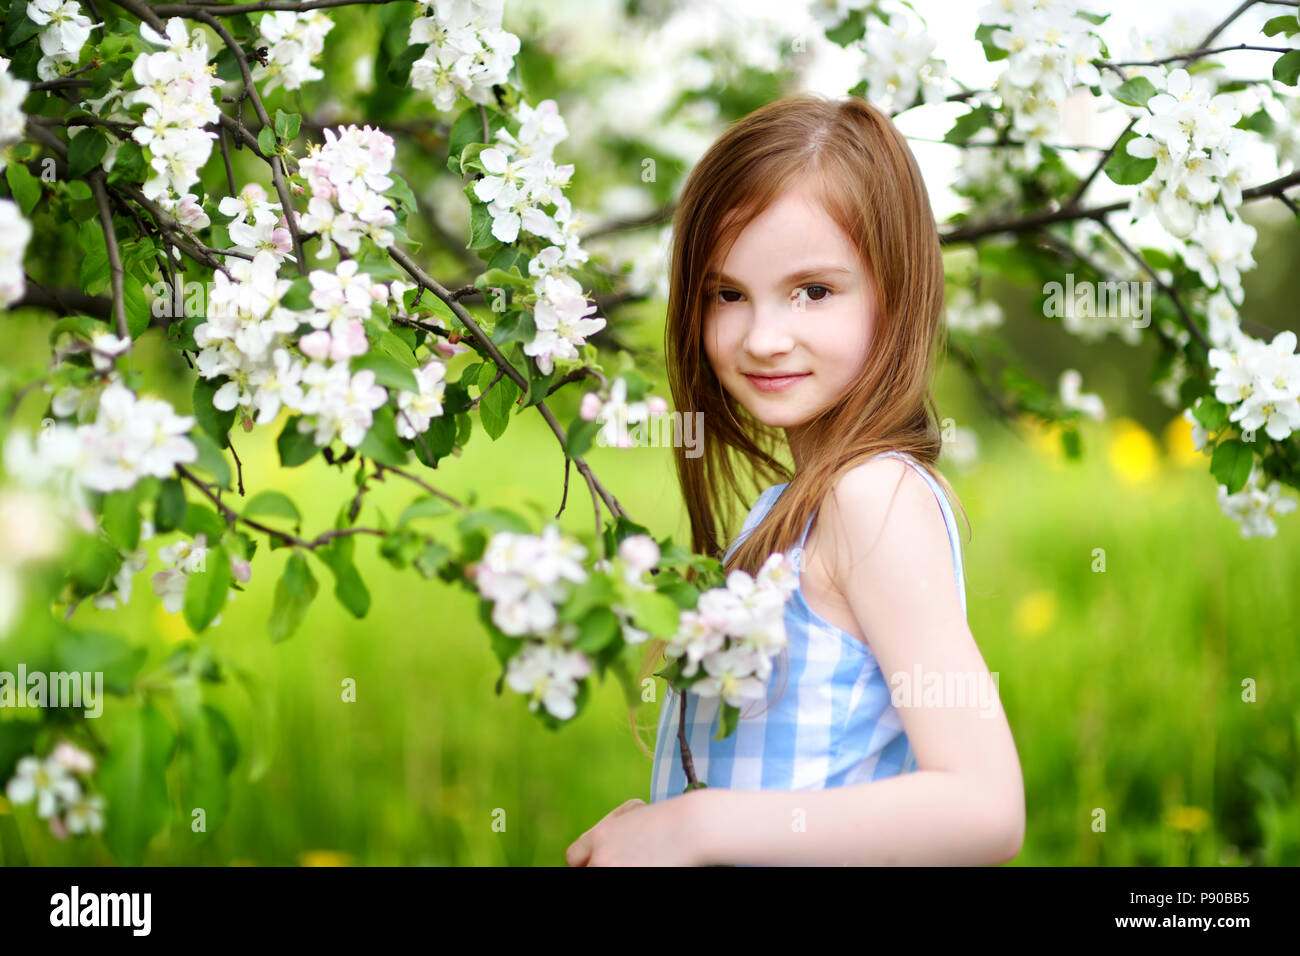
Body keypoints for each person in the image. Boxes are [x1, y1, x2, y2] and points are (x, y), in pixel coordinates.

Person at [565, 92, 1024, 866]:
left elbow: (984, 807)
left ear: (896, 290)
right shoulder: (802, 502)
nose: (764, 337)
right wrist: (659, 824)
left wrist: (694, 828)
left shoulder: (870, 495)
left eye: (813, 290)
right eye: (728, 295)